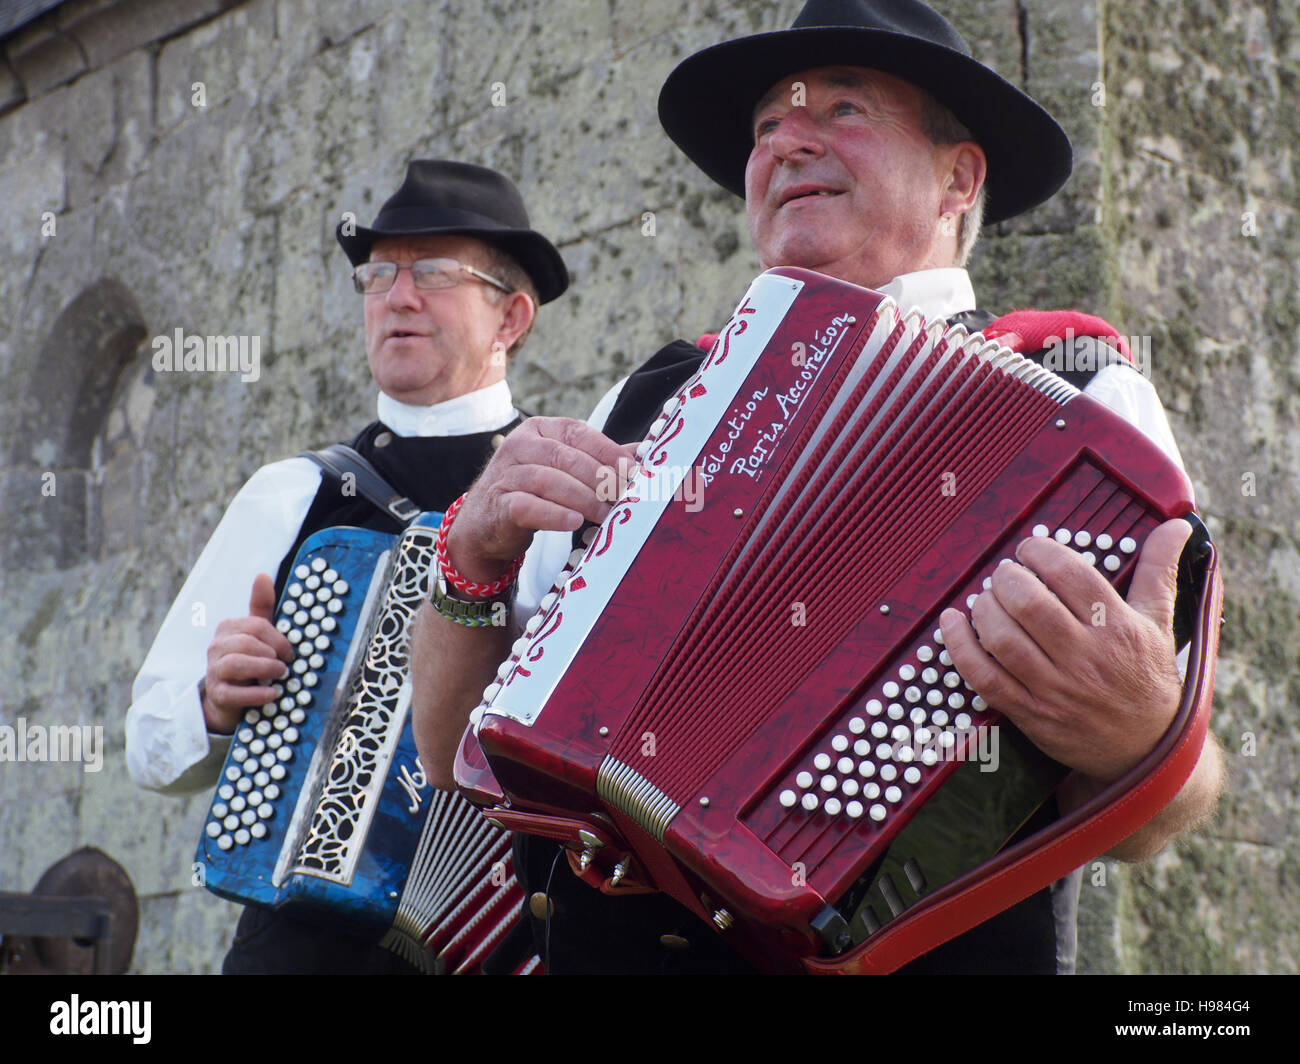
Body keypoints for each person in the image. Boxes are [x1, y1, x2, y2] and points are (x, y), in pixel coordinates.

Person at [409, 0, 1223, 974]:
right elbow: (456, 758)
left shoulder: (1077, 395)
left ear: (957, 178)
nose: (786, 143)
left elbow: (1155, 814)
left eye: (840, 110)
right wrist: (470, 562)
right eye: (764, 129)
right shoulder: (649, 400)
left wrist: (1140, 734)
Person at [125, 159, 568, 973]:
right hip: (303, 949)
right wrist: (213, 704)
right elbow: (148, 738)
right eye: (380, 275)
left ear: (511, 317)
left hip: (509, 944)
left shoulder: (564, 492)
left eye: (433, 273)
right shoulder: (291, 493)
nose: (398, 297)